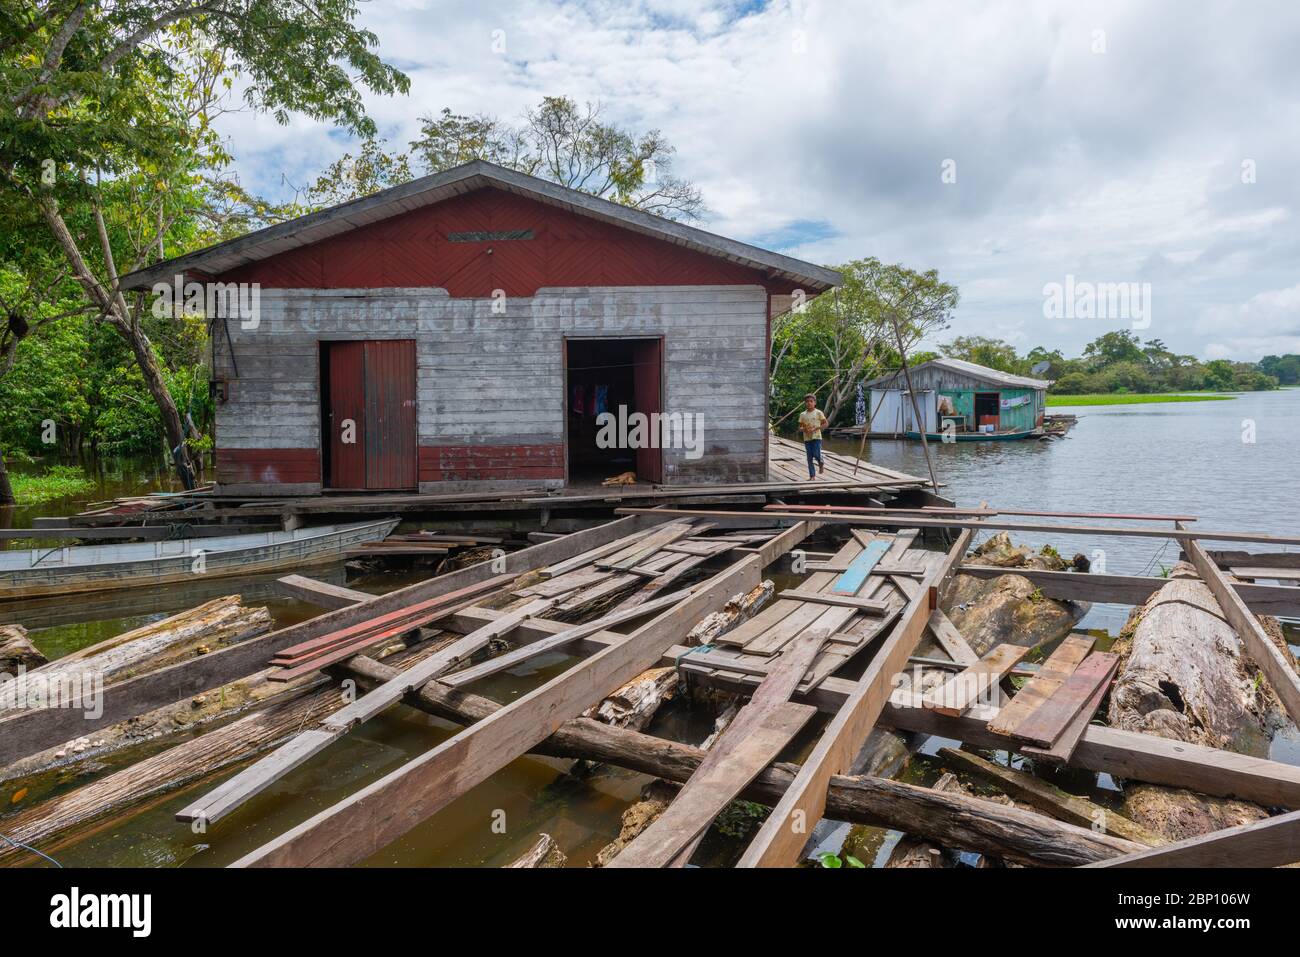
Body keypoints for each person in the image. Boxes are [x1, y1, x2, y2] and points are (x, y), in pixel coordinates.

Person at [797, 393, 828, 479]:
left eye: (811, 401)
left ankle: (820, 462)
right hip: (807, 438)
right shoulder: (802, 415)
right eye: (807, 401)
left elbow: (825, 424)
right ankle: (812, 476)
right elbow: (800, 427)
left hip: (817, 437)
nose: (809, 403)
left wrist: (816, 428)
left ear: (815, 402)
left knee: (816, 454)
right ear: (805, 403)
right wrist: (804, 429)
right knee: (809, 457)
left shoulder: (818, 413)